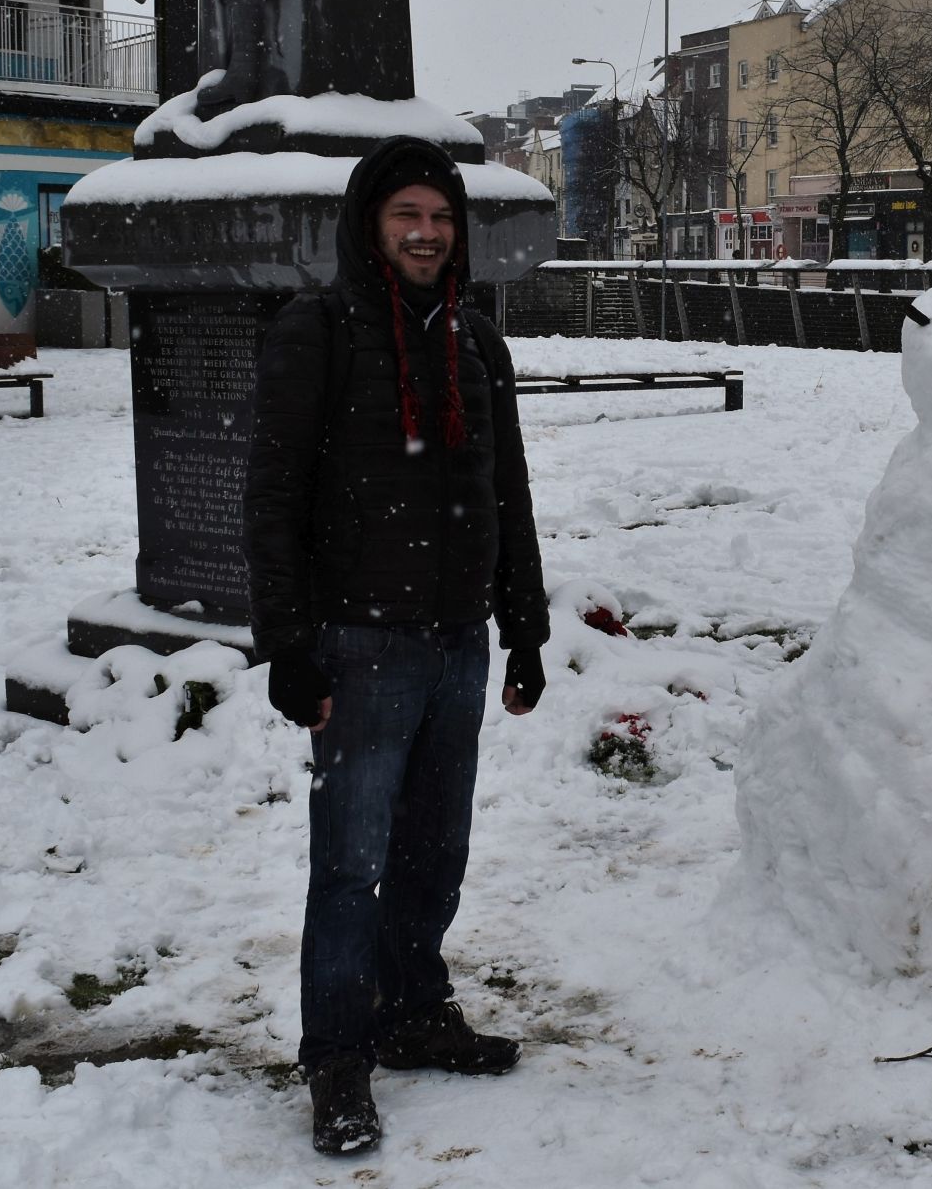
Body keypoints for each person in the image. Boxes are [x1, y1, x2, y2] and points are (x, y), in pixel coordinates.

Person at [244, 135, 550, 1153]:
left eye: (441, 218)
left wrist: (524, 626)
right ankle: (337, 1054)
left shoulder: (475, 339)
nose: (426, 233)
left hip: (457, 639)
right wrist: (290, 646)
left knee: (435, 850)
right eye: (406, 216)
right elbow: (273, 497)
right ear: (370, 226)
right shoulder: (316, 330)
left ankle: (414, 1007)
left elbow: (505, 491)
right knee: (350, 864)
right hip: (362, 644)